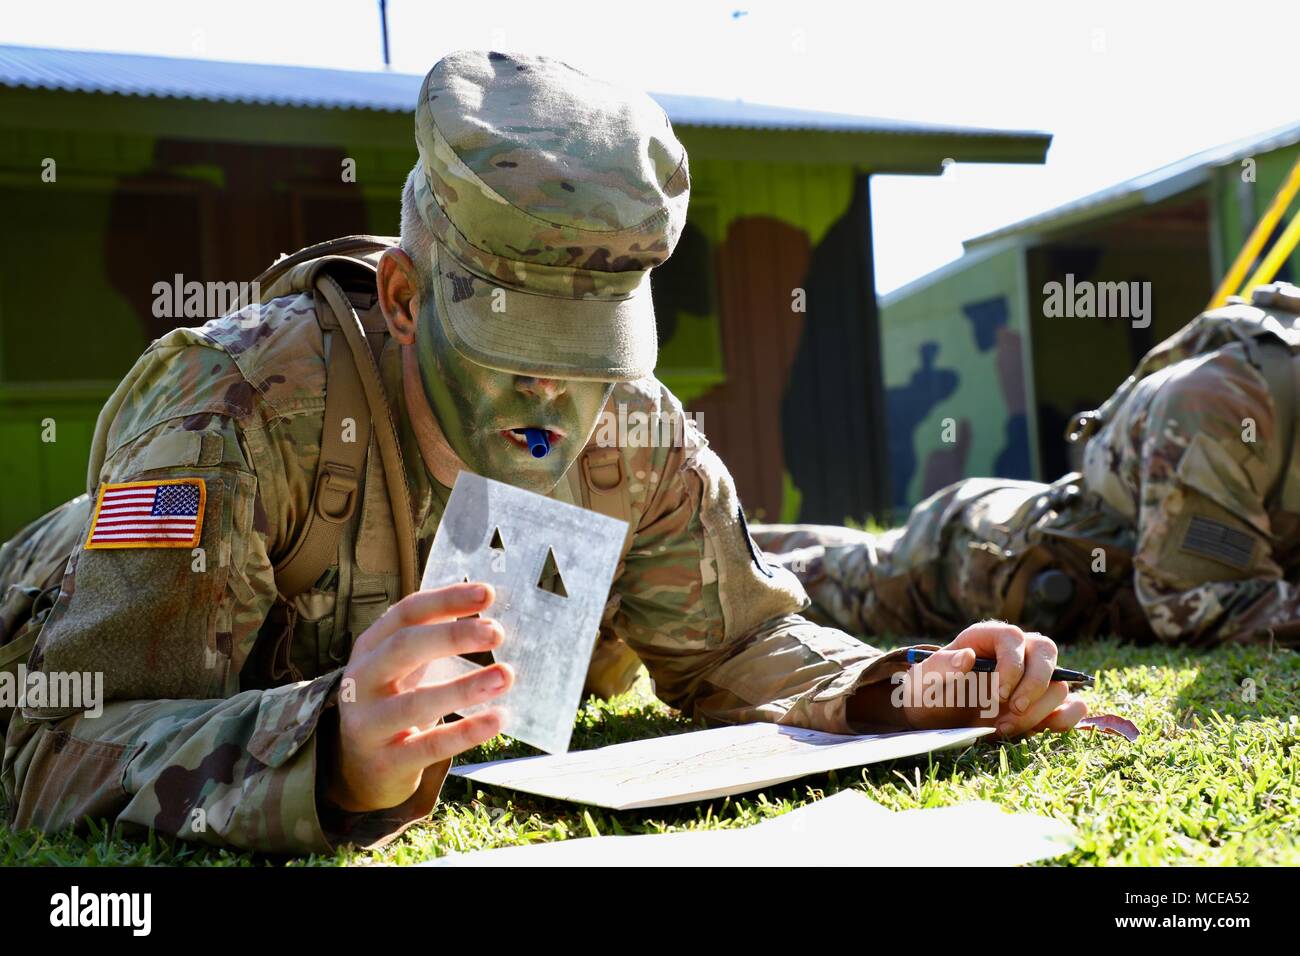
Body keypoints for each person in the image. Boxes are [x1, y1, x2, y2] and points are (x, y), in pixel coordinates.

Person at [0, 51, 1083, 854]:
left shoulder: (631, 428)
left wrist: (913, 688)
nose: (554, 396)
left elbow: (735, 647)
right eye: (517, 348)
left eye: (592, 350)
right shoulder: (230, 415)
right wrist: (325, 745)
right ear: (406, 297)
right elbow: (62, 746)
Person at [754, 282, 1300, 649]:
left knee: (850, 553)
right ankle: (696, 552)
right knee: (796, 581)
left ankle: (740, 539)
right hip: (985, 557)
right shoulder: (1224, 402)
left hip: (1042, 527)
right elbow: (1192, 605)